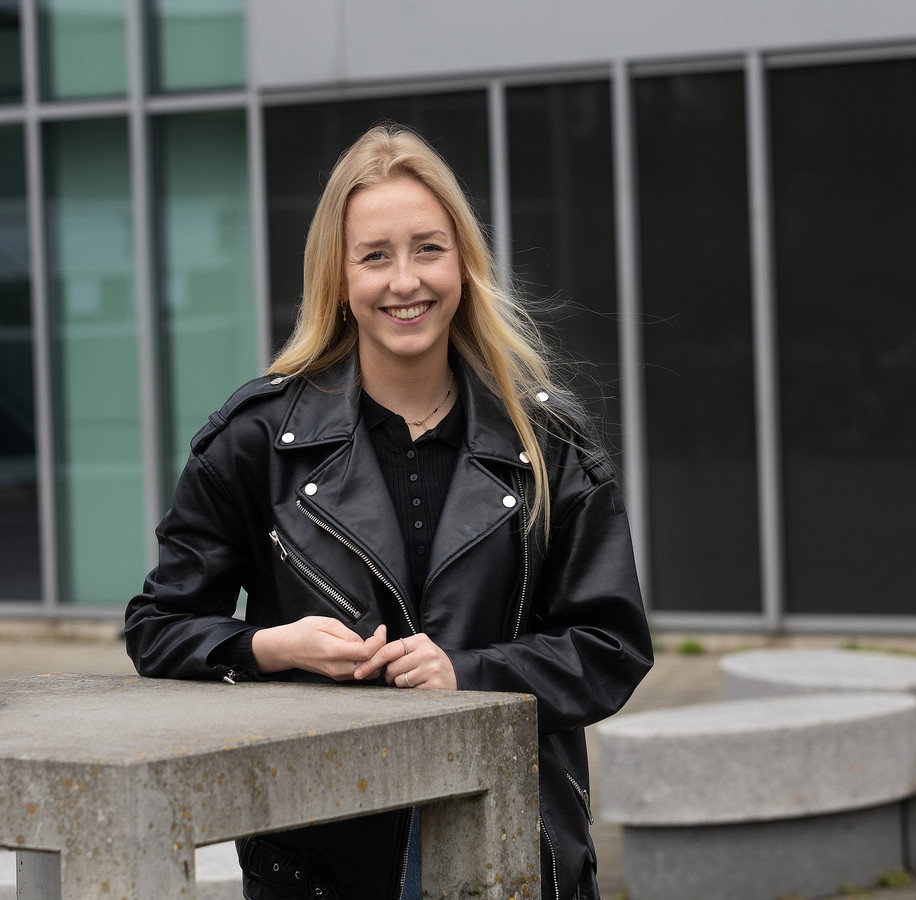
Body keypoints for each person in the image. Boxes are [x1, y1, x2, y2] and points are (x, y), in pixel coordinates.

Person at [125, 123, 652, 900]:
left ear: (465, 266)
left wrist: (468, 674)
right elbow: (157, 626)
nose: (405, 281)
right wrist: (272, 646)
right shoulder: (255, 442)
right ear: (338, 281)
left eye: (428, 249)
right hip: (322, 854)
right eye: (375, 256)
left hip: (509, 836)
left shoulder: (549, 438)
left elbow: (610, 645)